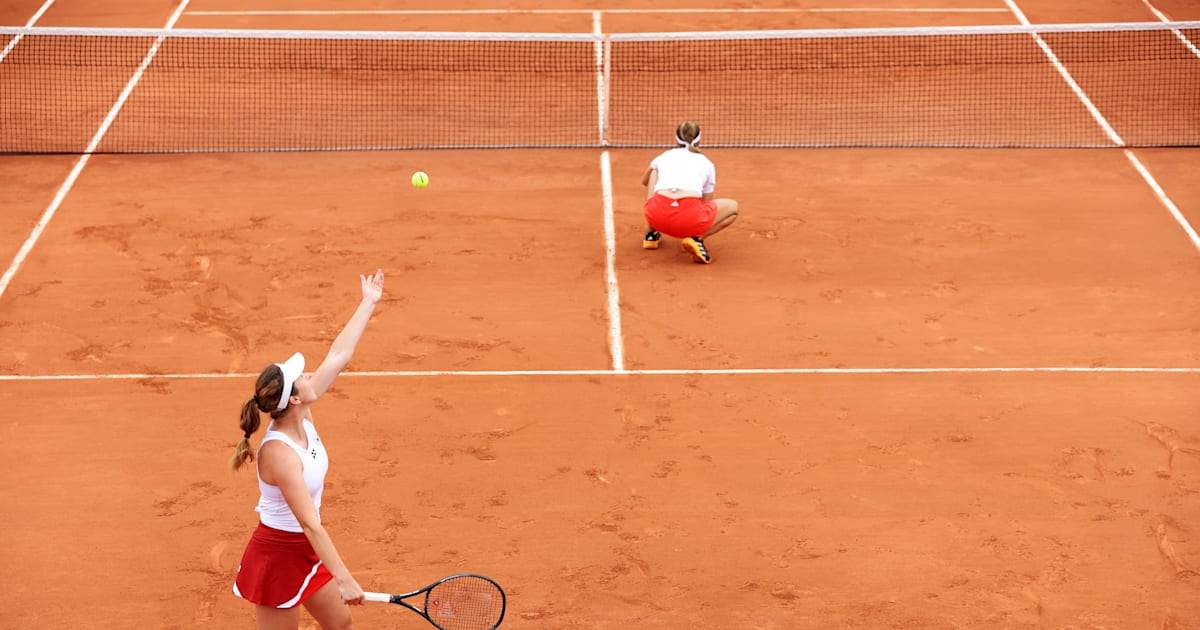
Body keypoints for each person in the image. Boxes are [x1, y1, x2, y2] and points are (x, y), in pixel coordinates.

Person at [229, 268, 385, 630]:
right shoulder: (279, 455)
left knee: (341, 625)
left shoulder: (302, 415)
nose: (308, 376)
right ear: (295, 398)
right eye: (301, 378)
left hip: (305, 550)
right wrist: (344, 577)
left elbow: (338, 355)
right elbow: (309, 524)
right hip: (279, 555)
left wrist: (367, 302)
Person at [640, 120, 740, 264]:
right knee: (733, 207)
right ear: (699, 141)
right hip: (688, 221)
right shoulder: (707, 163)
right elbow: (706, 202)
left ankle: (651, 235)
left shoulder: (664, 156)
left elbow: (645, 181)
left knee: (654, 171)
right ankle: (697, 239)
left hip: (656, 216)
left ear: (676, 140)